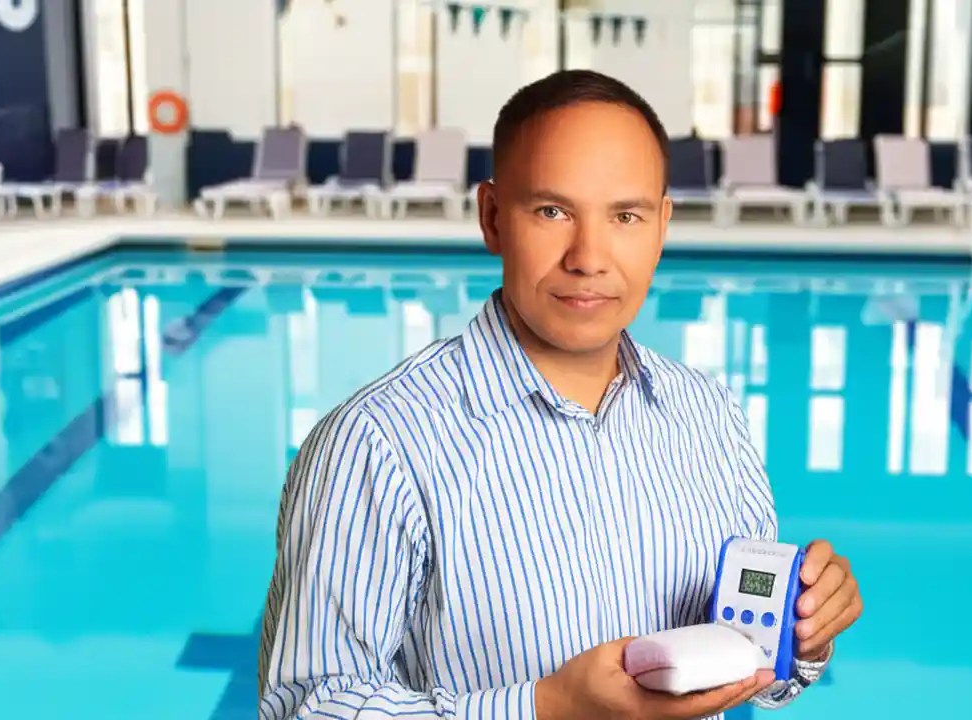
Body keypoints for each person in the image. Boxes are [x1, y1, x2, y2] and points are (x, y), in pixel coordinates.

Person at [257, 69, 862, 719]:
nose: (589, 256)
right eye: (552, 211)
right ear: (492, 218)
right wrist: (545, 709)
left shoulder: (708, 415)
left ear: (661, 226)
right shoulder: (378, 443)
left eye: (625, 216)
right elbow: (309, 707)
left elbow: (748, 663)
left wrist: (801, 634)